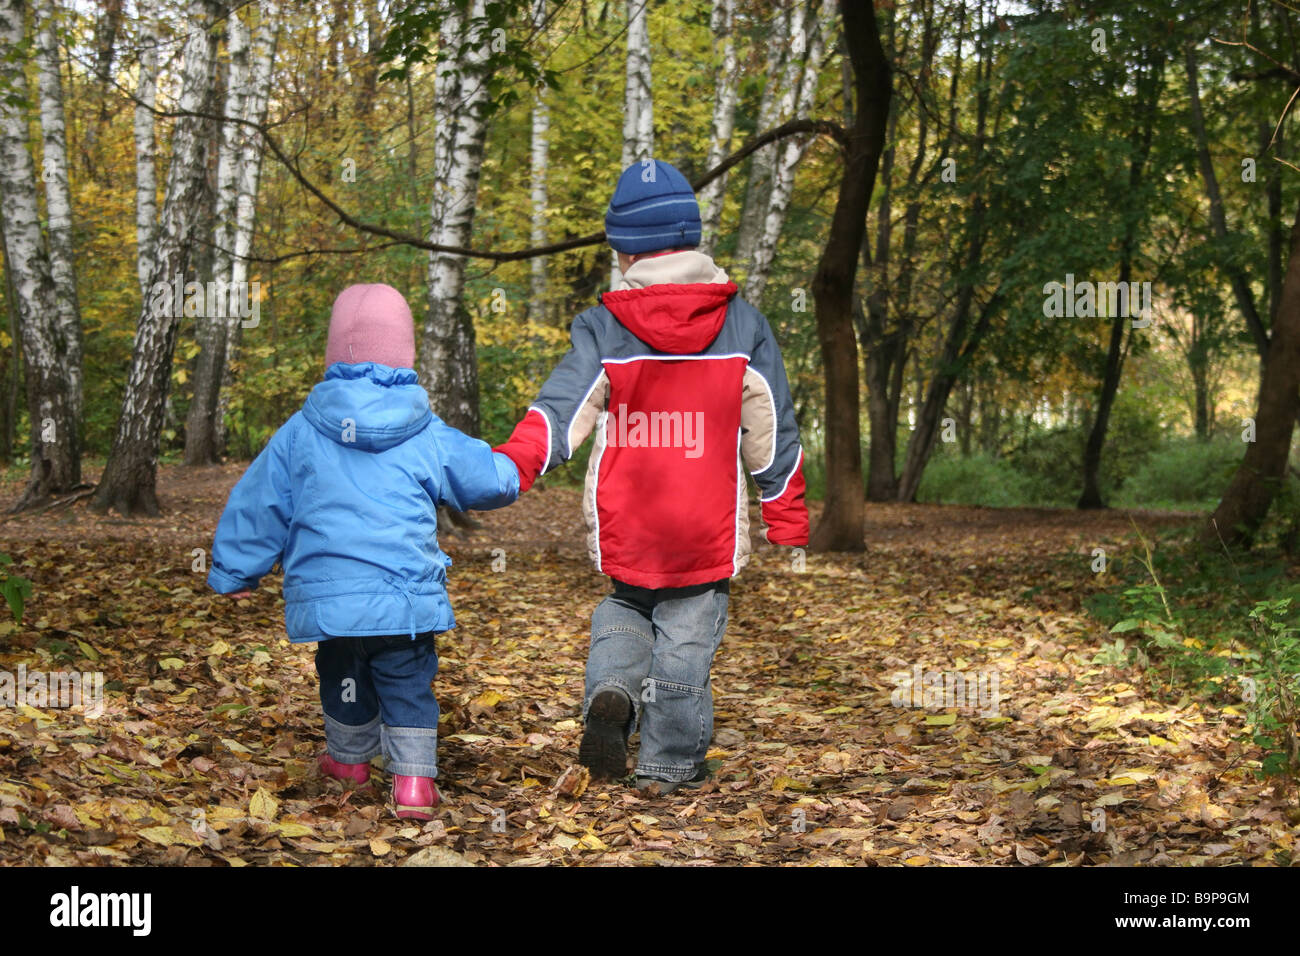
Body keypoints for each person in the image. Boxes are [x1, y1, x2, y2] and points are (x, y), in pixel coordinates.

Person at [494, 159, 809, 793]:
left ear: (622, 251)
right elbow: (770, 427)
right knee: (686, 646)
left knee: (626, 608)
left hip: (628, 524)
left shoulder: (603, 327)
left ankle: (611, 690)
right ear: (692, 238)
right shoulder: (744, 325)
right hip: (705, 532)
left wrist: (510, 466)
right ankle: (667, 765)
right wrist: (786, 513)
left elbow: (560, 413)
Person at [206, 283, 519, 818]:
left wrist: (236, 571)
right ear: (405, 352)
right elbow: (489, 481)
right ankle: (414, 785)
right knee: (407, 682)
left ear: (333, 352)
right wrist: (515, 463)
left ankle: (350, 763)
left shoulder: (301, 431)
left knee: (344, 676)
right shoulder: (427, 433)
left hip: (333, 602)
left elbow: (259, 504)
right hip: (404, 602)